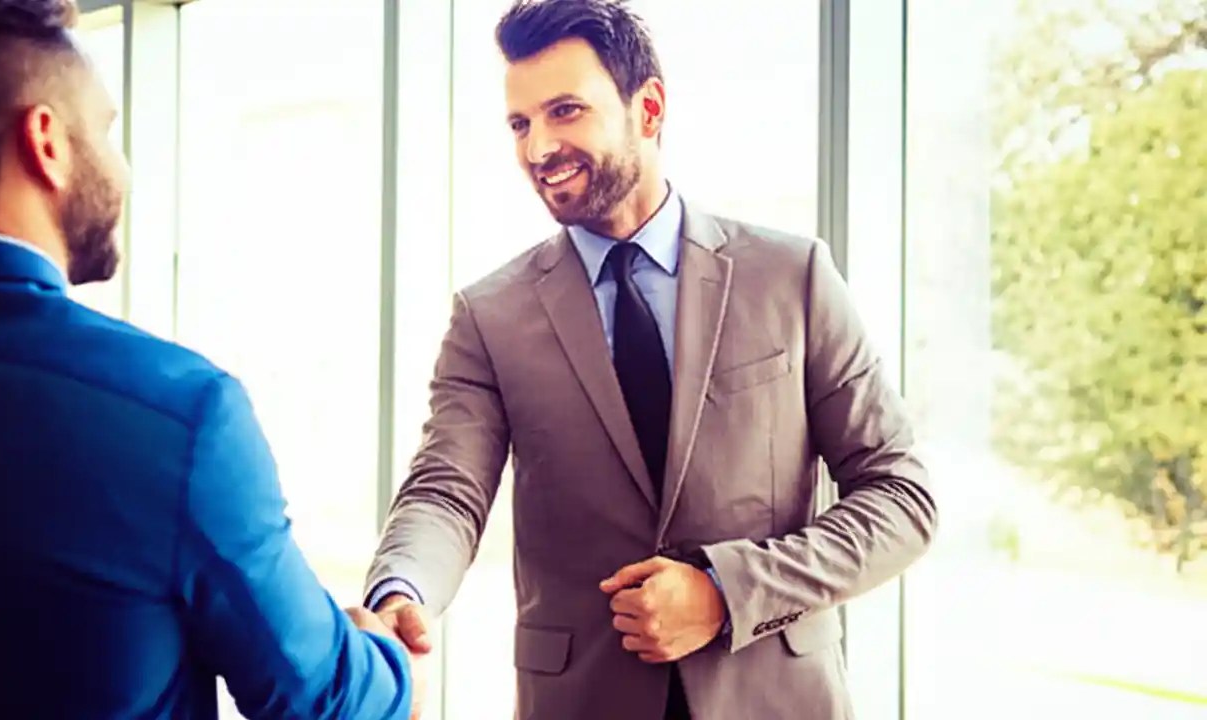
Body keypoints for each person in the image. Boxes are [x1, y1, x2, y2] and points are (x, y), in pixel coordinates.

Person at [364, 0, 939, 718]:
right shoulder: (489, 316)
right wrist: (403, 590)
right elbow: (445, 491)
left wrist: (728, 590)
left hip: (776, 698)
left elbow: (900, 497)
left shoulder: (791, 278)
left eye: (565, 111)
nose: (539, 148)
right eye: (520, 124)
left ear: (650, 108)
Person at [0, 2, 414, 718]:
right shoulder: (177, 416)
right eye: (105, 130)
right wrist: (383, 657)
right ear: (46, 142)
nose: (120, 165)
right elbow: (326, 702)